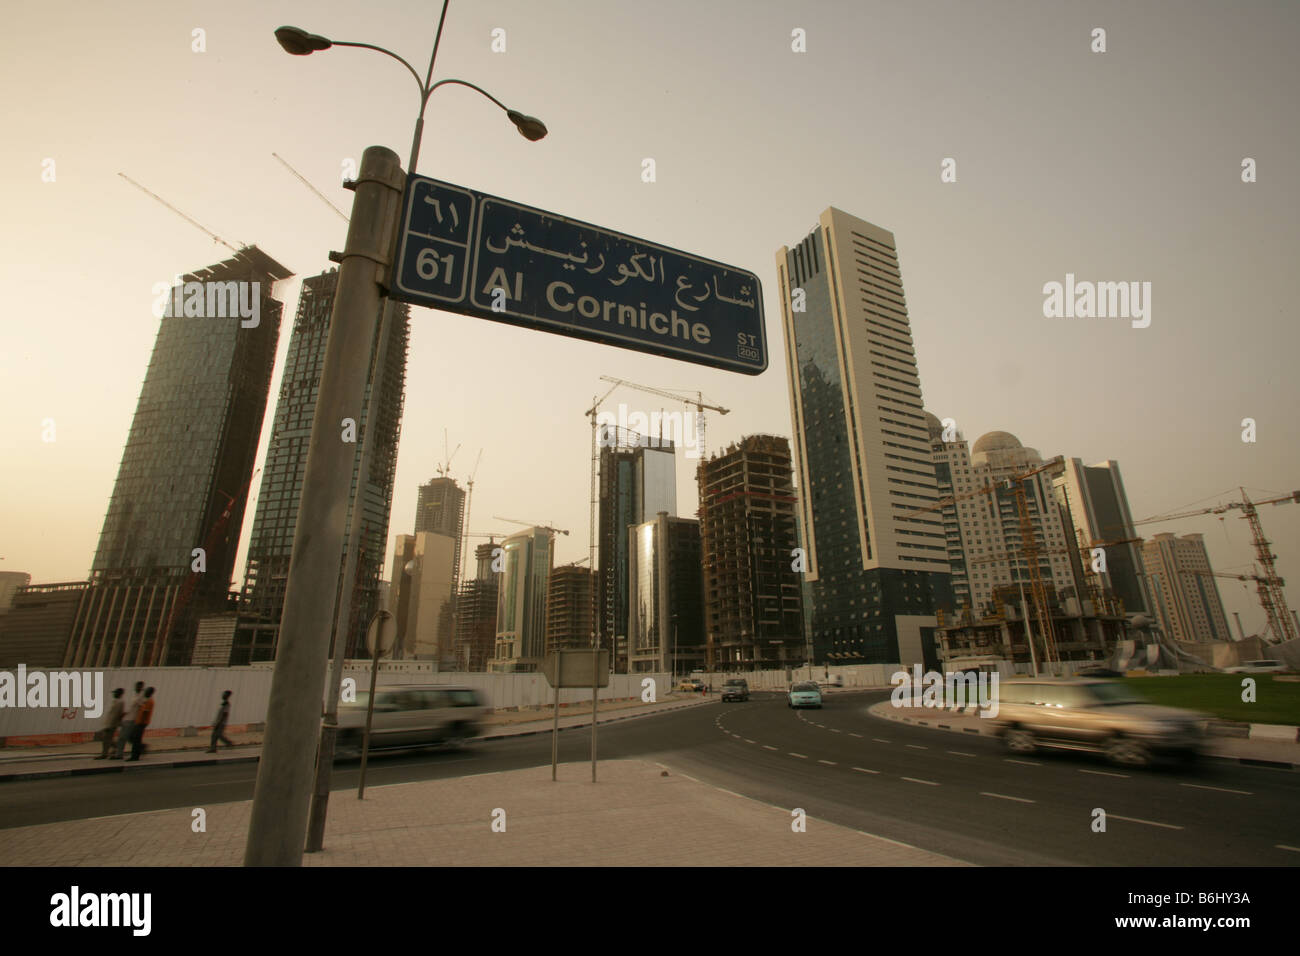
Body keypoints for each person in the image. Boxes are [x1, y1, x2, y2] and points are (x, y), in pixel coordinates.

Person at [112, 681, 145, 760]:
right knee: (125, 737)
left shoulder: (140, 697)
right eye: (136, 686)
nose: (137, 688)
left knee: (123, 737)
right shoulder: (135, 696)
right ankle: (140, 747)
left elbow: (142, 708)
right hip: (127, 718)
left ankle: (119, 754)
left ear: (141, 687)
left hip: (132, 720)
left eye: (139, 686)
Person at [127, 687, 156, 762]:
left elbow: (145, 712)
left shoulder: (149, 701)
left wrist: (141, 723)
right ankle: (140, 749)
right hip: (139, 722)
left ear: (150, 693)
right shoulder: (145, 700)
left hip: (141, 723)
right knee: (135, 738)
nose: (145, 692)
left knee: (135, 738)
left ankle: (135, 755)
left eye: (147, 691)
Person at [95, 688, 125, 760]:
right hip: (109, 723)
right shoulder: (115, 701)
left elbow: (116, 715)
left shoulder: (120, 702)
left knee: (106, 739)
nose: (114, 694)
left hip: (112, 724)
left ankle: (105, 754)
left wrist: (109, 725)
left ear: (119, 694)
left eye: (115, 693)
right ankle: (116, 748)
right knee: (106, 738)